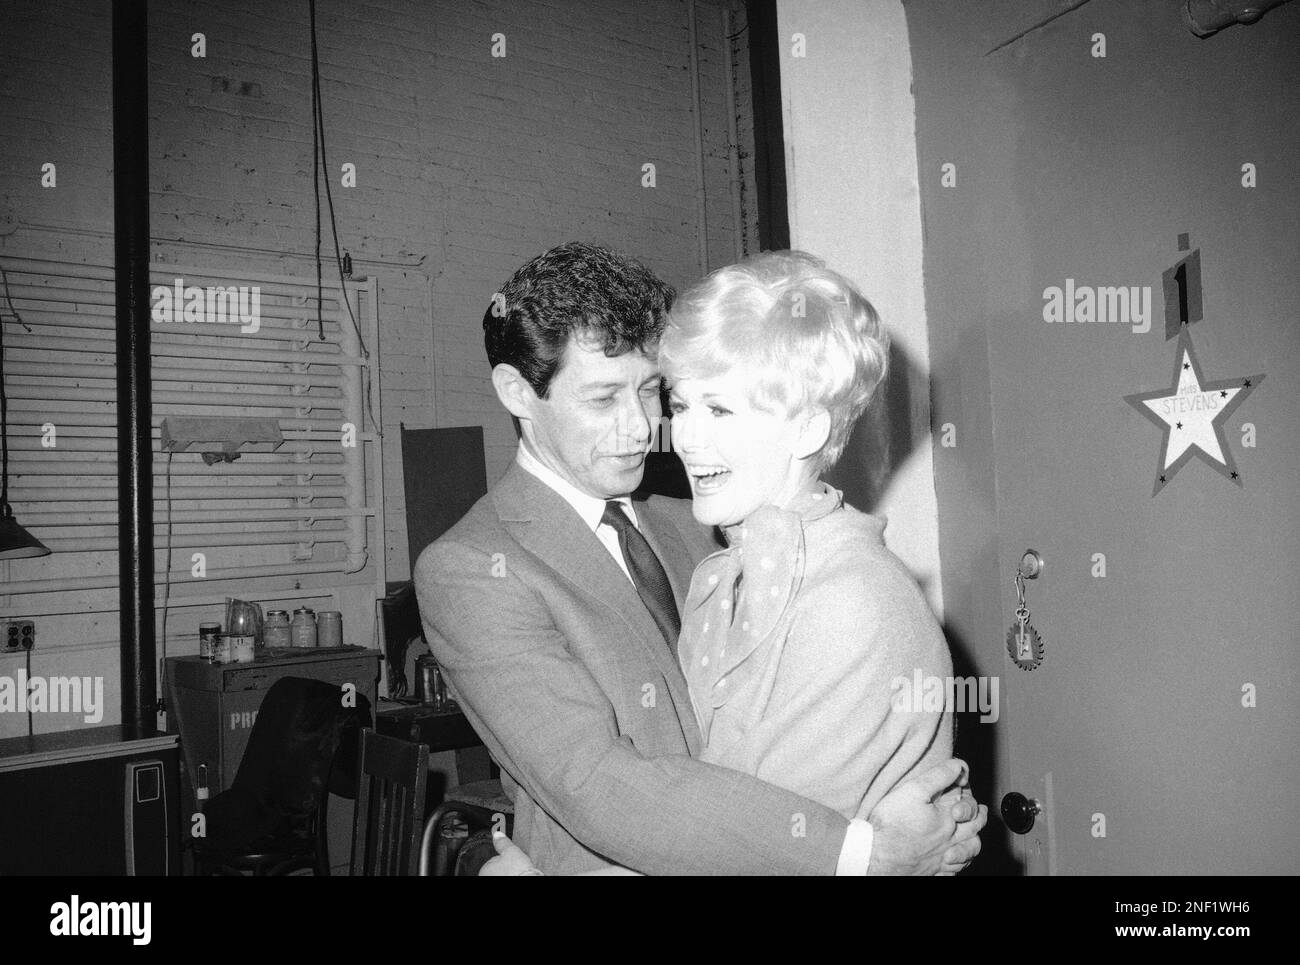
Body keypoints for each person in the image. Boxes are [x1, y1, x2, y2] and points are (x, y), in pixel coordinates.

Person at [415, 242, 985, 875]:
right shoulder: (471, 567)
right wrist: (864, 855)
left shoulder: (706, 525)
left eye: (656, 393)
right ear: (517, 392)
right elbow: (592, 781)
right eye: (604, 398)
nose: (649, 430)